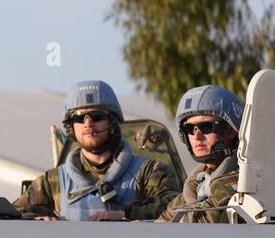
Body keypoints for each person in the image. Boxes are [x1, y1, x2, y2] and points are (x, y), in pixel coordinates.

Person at [14, 79, 177, 220]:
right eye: (78, 118)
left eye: (97, 116)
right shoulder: (53, 181)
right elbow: (12, 214)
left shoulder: (148, 173)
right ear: (71, 127)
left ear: (112, 123)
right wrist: (35, 220)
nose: (88, 124)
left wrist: (126, 214)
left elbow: (174, 206)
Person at [159, 84, 244, 223]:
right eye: (190, 128)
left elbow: (205, 221)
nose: (197, 136)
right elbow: (161, 223)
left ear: (230, 131)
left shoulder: (242, 180)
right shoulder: (197, 184)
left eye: (206, 127)